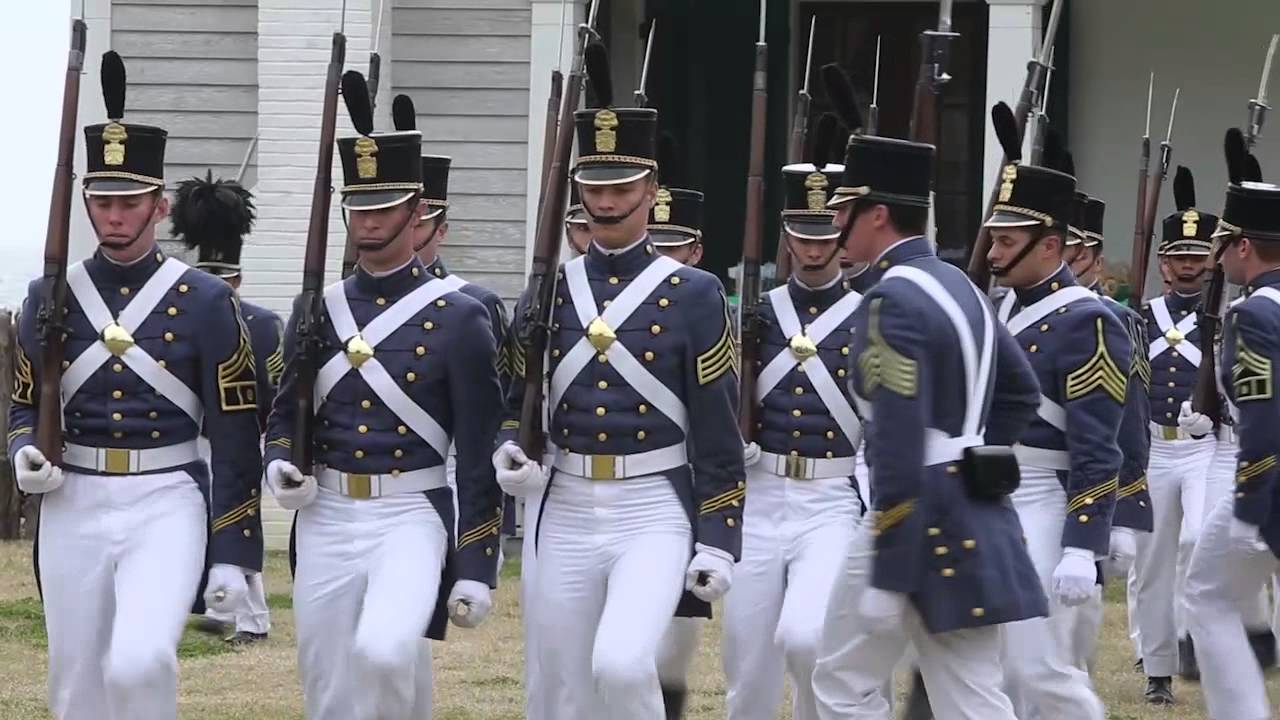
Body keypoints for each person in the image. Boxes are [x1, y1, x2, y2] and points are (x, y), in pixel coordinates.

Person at [7, 51, 264, 720]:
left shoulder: (206, 301)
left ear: (161, 205)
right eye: (102, 201)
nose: (114, 216)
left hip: (167, 496)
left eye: (129, 202)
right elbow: (23, 402)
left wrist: (234, 550)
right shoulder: (49, 293)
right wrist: (22, 452)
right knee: (75, 681)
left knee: (142, 657)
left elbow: (236, 437)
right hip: (74, 500)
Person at [492, 94, 744, 720]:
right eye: (593, 188)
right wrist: (510, 448)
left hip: (653, 505)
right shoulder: (547, 290)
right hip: (567, 503)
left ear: (651, 188)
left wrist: (718, 538)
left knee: (623, 663)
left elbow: (718, 428)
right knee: (567, 685)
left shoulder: (695, 293)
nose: (605, 203)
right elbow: (515, 394)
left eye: (622, 188)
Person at [262, 104, 503, 720]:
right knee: (327, 681)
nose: (367, 222)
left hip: (412, 511)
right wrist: (280, 465)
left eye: (383, 207)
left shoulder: (461, 315)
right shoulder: (317, 308)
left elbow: (477, 454)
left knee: (385, 650)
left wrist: (477, 562)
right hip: (327, 513)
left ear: (417, 210)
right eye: (358, 207)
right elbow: (285, 412)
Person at [812, 133, 1045, 720]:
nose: (834, 224)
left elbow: (896, 437)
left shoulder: (888, 300)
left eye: (843, 211)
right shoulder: (962, 285)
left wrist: (889, 566)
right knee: (971, 691)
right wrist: (974, 450)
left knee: (841, 683)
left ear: (878, 214)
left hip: (910, 515)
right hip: (972, 501)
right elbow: (1021, 391)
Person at [986, 156, 1129, 720]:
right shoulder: (995, 307)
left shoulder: (1089, 320)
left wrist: (1082, 543)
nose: (993, 253)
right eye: (993, 240)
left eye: (1006, 241)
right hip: (987, 489)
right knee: (988, 663)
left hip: (1042, 496)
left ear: (1049, 246)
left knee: (1035, 662)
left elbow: (1099, 444)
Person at [722, 159, 863, 720]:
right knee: (746, 657)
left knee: (807, 637)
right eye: (802, 237)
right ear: (786, 237)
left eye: (824, 236)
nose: (812, 249)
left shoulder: (867, 316)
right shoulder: (753, 313)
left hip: (831, 499)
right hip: (759, 492)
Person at [1183, 128, 1280, 720]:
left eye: (1222, 245)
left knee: (1208, 595)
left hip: (1271, 482)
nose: (1216, 257)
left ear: (1243, 246)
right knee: (1217, 591)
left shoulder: (1252, 315)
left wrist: (1249, 507)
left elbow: (1265, 417)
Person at [1129, 166, 1236, 699]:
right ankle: (1157, 670)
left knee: (1199, 541)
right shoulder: (1141, 317)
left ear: (1211, 261)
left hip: (1203, 451)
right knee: (1151, 563)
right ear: (1164, 263)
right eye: (1179, 256)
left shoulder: (1229, 316)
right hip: (1154, 448)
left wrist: (1214, 417)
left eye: (1198, 256)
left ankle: (1200, 639)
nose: (1189, 265)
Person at [171, 171, 284, 646]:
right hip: (190, 439)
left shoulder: (262, 324)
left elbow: (274, 389)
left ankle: (252, 618)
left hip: (240, 438)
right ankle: (215, 605)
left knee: (237, 520)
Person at [1064, 192, 1153, 674]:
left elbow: (1131, 422)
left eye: (1078, 253)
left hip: (1088, 483)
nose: (1069, 262)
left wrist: (1127, 512)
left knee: (1073, 635)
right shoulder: (1009, 309)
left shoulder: (1119, 319)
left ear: (1096, 260)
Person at [643, 183, 709, 719]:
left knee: (671, 646)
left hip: (680, 484)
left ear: (695, 252)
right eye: (654, 242)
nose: (661, 257)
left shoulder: (701, 305)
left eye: (674, 245)